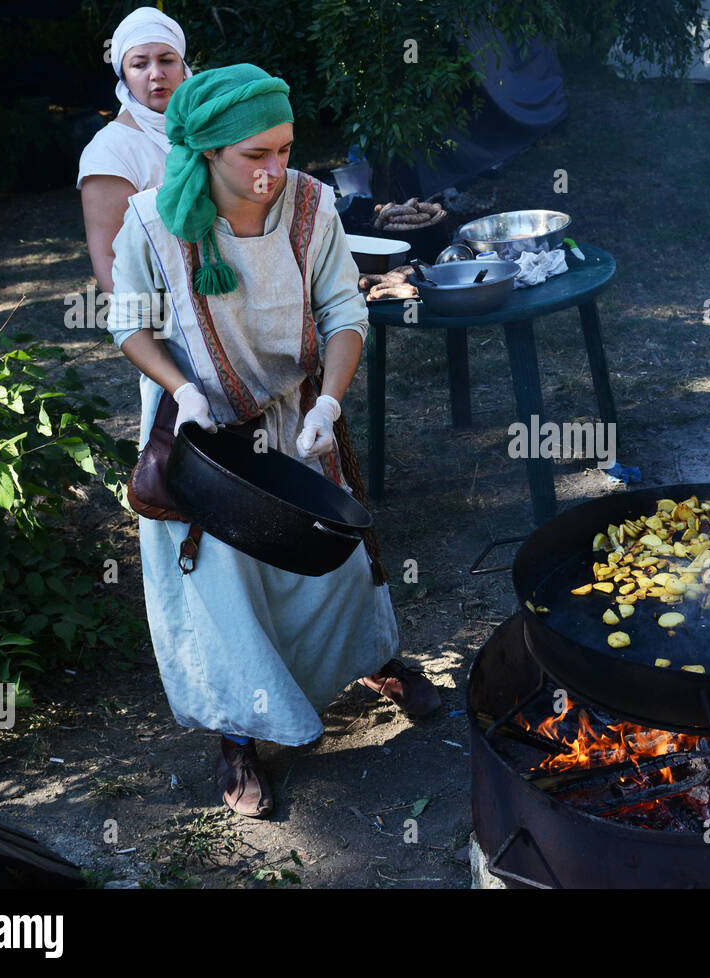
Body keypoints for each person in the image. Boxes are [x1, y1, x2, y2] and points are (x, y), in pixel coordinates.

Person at [107, 63, 439, 819]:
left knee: (335, 562)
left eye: (284, 148)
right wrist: (185, 390)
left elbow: (346, 312)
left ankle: (371, 663)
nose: (275, 169)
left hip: (296, 415)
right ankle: (239, 735)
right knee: (226, 586)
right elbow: (130, 324)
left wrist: (328, 401)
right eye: (256, 154)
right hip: (204, 437)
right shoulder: (152, 221)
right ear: (207, 152)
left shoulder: (313, 206)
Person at [78, 7, 191, 292]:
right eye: (140, 65)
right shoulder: (109, 152)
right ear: (123, 75)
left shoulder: (212, 129)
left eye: (167, 60)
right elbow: (108, 258)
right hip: (166, 311)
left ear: (184, 67)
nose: (156, 74)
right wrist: (138, 331)